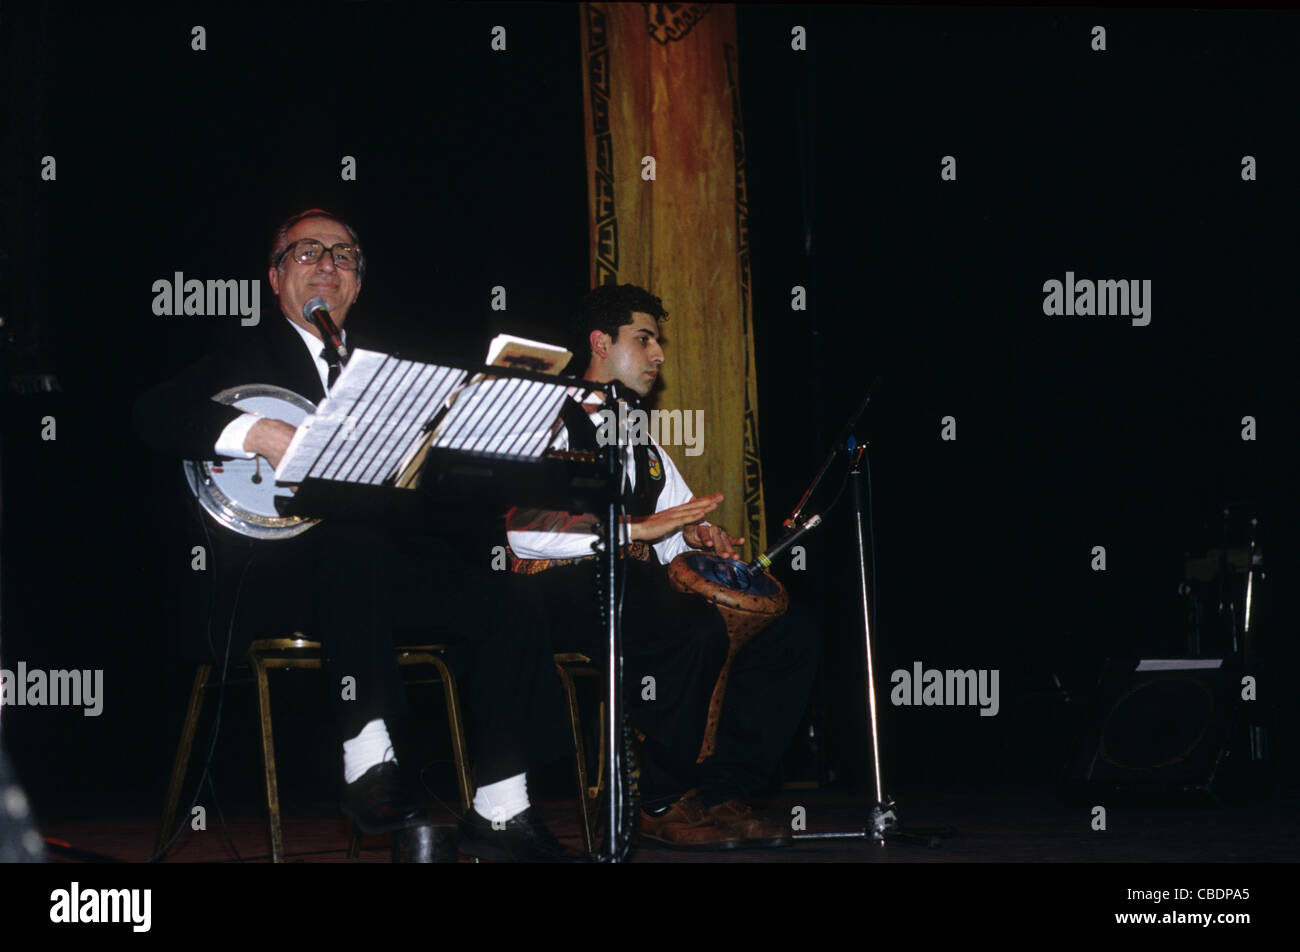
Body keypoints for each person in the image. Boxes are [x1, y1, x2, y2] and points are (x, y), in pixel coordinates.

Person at [134, 208, 579, 862]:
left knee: (506, 597)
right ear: (275, 276)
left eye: (343, 256)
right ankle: (369, 757)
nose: (328, 266)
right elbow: (151, 414)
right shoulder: (245, 350)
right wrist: (254, 432)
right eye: (308, 252)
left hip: (374, 578)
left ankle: (502, 808)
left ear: (358, 285)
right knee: (355, 543)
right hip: (272, 579)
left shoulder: (385, 369)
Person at [506, 283, 820, 849]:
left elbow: (671, 537)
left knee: (786, 630)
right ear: (601, 343)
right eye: (644, 339)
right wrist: (637, 531)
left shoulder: (642, 439)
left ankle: (721, 789)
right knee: (689, 624)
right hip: (554, 591)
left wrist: (700, 539)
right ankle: (658, 799)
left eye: (659, 342)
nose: (659, 355)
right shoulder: (545, 415)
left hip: (632, 584)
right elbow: (524, 534)